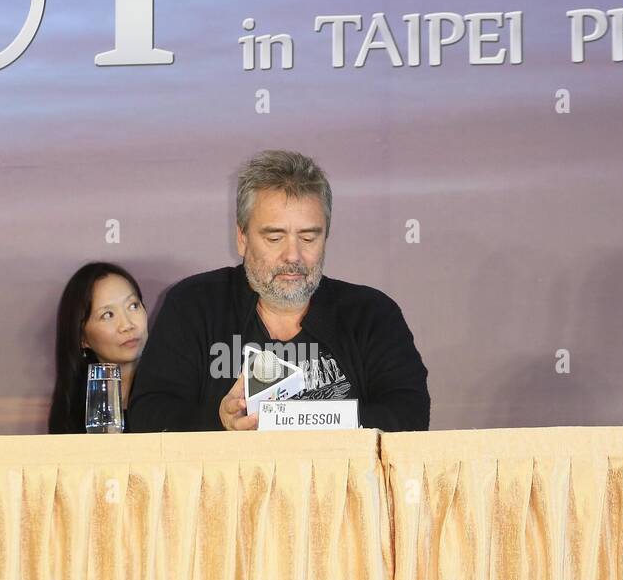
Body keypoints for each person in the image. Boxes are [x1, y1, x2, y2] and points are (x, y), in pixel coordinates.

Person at [127, 149, 429, 432]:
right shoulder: (193, 305)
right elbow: (148, 415)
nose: (293, 256)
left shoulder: (371, 314)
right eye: (274, 238)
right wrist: (218, 419)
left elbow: (409, 413)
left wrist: (301, 421)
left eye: (308, 238)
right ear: (242, 237)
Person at [47, 262, 148, 434]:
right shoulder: (72, 409)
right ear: (83, 338)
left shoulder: (175, 387)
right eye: (107, 315)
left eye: (133, 306)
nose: (127, 325)